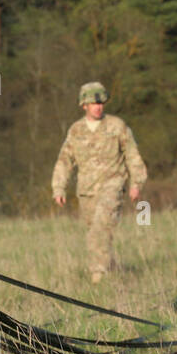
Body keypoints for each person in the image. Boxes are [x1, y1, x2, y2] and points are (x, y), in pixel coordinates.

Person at [51, 81, 147, 283]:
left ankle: (98, 275)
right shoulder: (76, 131)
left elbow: (132, 155)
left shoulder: (117, 126)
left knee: (100, 229)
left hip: (113, 185)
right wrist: (59, 187)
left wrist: (136, 183)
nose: (98, 106)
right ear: (84, 105)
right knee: (97, 232)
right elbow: (65, 160)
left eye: (101, 103)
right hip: (86, 191)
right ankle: (112, 270)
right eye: (94, 103)